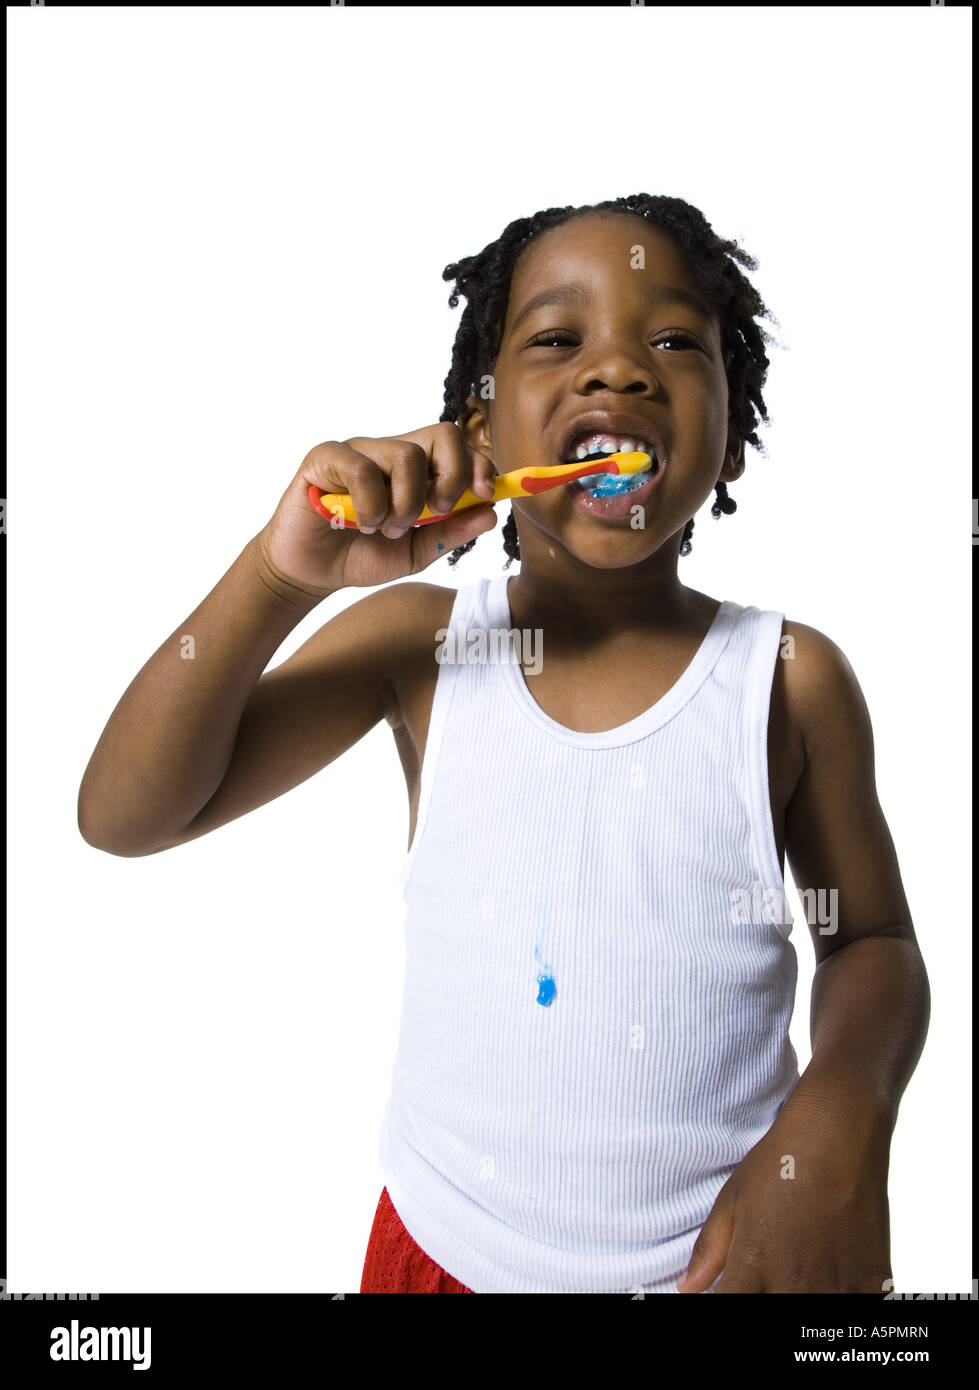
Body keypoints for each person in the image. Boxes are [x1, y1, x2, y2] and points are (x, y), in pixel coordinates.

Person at [78, 194, 929, 1294]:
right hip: (439, 1252)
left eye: (673, 341)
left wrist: (840, 1122)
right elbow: (124, 815)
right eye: (557, 340)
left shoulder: (786, 677)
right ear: (481, 432)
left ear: (730, 428)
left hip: (718, 1268)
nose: (617, 371)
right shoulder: (419, 649)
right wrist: (279, 576)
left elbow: (870, 943)